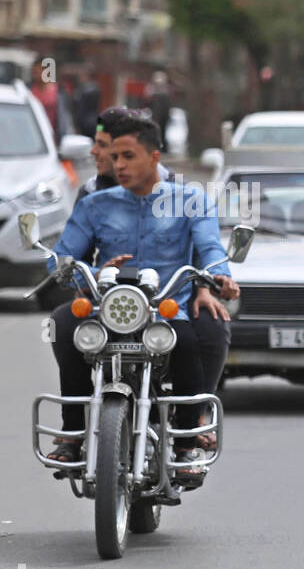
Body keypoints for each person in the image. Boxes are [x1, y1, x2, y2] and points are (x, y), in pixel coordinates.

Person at [43, 115, 231, 477]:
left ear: (155, 156)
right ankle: (72, 433)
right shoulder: (96, 204)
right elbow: (61, 259)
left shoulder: (190, 200)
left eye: (128, 156)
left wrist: (220, 275)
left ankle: (188, 441)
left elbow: (210, 248)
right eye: (115, 157)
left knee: (193, 338)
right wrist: (92, 273)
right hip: (106, 308)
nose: (119, 165)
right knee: (63, 324)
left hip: (166, 309)